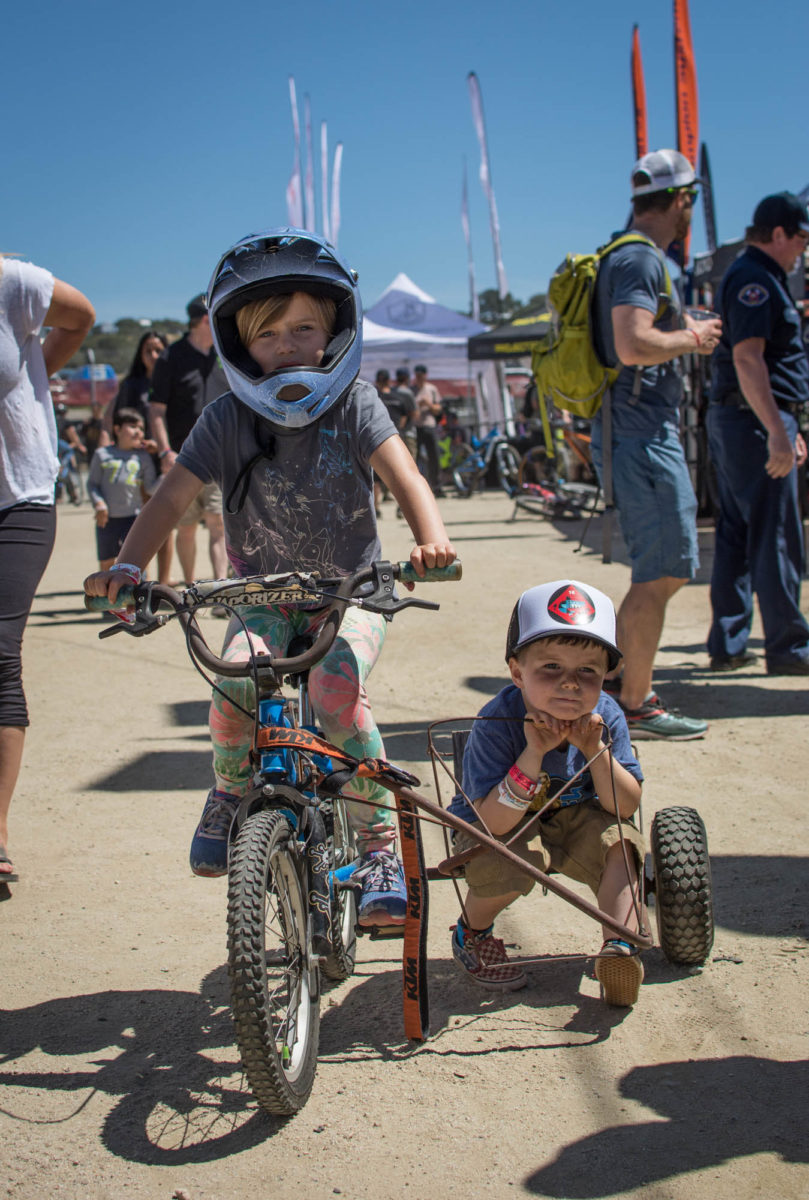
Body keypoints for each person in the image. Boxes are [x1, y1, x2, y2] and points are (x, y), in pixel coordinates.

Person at [83, 228, 456, 928]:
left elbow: (404, 475)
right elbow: (170, 496)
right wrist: (129, 564)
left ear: (335, 332)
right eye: (267, 335)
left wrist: (430, 539)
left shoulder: (356, 404)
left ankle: (378, 845)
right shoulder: (225, 417)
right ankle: (228, 792)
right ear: (237, 344)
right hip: (260, 596)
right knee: (232, 680)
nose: (286, 345)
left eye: (304, 328)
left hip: (354, 589)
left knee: (336, 693)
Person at [448, 580, 645, 1005]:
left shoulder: (606, 716)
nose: (570, 684)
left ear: (606, 676)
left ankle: (619, 947)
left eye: (587, 672)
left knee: (622, 843)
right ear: (518, 672)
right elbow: (493, 822)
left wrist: (596, 752)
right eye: (550, 668)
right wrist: (532, 754)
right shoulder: (496, 721)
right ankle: (473, 932)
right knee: (512, 858)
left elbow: (626, 806)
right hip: (498, 824)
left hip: (577, 819)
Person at [590, 148, 722, 740]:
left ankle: (621, 687)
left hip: (634, 428)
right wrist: (692, 337)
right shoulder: (641, 259)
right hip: (642, 431)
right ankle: (634, 703)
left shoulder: (628, 254)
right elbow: (633, 344)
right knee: (665, 567)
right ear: (681, 201)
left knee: (664, 567)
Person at [0, 253, 95, 888]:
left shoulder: (11, 281)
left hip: (17, 497)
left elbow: (81, 316)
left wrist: (32, 378)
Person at [706, 192, 809, 675]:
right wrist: (777, 428)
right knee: (776, 535)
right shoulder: (756, 278)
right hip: (753, 420)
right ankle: (788, 646)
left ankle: (728, 642)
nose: (803, 251)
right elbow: (749, 359)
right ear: (780, 234)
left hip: (743, 419)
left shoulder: (755, 274)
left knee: (736, 531)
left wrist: (785, 425)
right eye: (802, 239)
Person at [149, 295, 228, 586]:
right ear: (205, 320)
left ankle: (220, 587)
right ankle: (193, 585)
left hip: (220, 460)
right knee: (186, 528)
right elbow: (156, 410)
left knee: (218, 523)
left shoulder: (224, 356)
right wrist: (165, 451)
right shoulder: (171, 358)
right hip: (183, 460)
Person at [87, 408, 157, 570]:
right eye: (133, 426)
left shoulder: (143, 457)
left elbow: (151, 488)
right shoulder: (102, 454)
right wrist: (99, 504)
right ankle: (105, 595)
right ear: (117, 429)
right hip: (107, 519)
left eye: (141, 428)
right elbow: (92, 484)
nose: (138, 432)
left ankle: (139, 593)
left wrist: (168, 470)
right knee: (106, 562)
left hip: (134, 518)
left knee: (137, 562)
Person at [412, 363, 445, 496]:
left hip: (429, 426)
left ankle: (437, 485)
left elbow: (439, 409)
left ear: (425, 376)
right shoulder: (411, 390)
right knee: (414, 458)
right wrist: (417, 405)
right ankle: (417, 487)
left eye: (421, 375)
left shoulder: (432, 389)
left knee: (434, 457)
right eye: (417, 375)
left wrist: (429, 404)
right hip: (415, 427)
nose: (419, 378)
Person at [390, 367, 418, 461]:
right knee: (410, 461)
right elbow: (415, 413)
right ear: (407, 378)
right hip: (407, 432)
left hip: (392, 433)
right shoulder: (408, 393)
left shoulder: (391, 391)